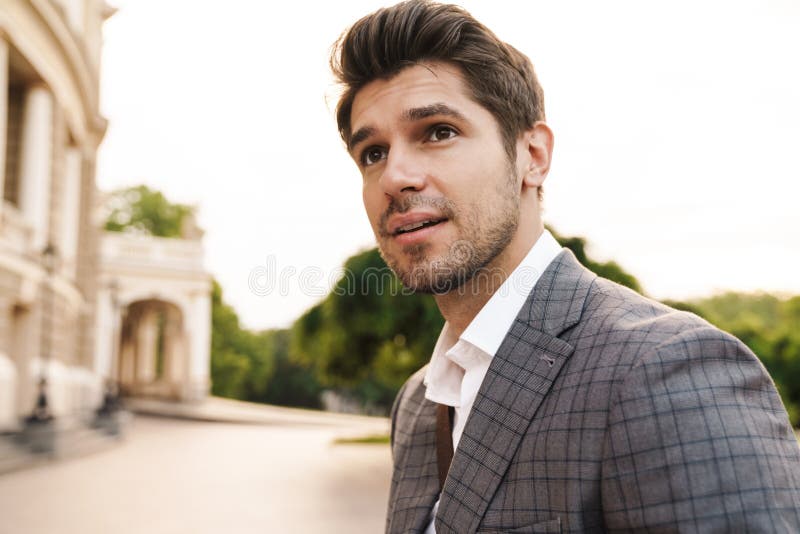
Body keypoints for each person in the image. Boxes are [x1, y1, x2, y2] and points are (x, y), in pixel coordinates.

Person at [329, 1, 800, 532]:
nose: (395, 176)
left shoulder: (668, 370)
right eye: (371, 153)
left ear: (533, 154)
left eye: (439, 131)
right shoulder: (418, 404)